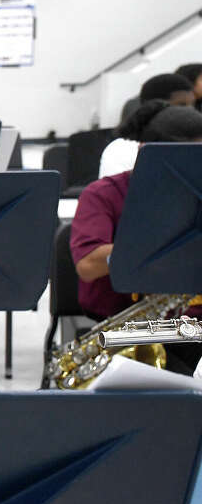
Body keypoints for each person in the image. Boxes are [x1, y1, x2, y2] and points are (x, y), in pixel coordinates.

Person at [73, 102, 202, 332]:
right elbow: (88, 265)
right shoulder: (103, 195)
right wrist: (168, 247)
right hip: (129, 328)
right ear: (146, 152)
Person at [99, 73, 195, 178]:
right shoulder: (122, 149)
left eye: (192, 105)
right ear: (153, 106)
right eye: (181, 105)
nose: (190, 111)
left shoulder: (191, 140)